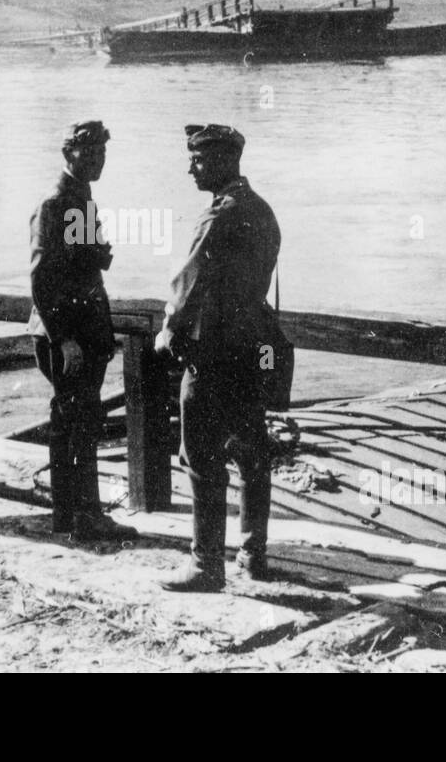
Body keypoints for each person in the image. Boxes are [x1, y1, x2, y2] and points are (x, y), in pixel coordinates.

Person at [156, 124, 282, 591]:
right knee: (251, 452)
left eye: (200, 160)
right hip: (251, 350)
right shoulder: (262, 211)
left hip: (212, 355)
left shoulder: (217, 218)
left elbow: (187, 286)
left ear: (226, 162)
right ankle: (253, 554)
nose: (191, 167)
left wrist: (169, 330)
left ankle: (206, 564)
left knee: (201, 456)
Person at [28, 121, 138, 542]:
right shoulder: (56, 204)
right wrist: (64, 338)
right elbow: (42, 279)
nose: (98, 162)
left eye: (102, 155)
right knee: (75, 421)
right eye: (89, 154)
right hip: (66, 336)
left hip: (83, 332)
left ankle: (73, 516)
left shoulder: (80, 199)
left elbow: (77, 267)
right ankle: (79, 517)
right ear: (68, 154)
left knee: (79, 421)